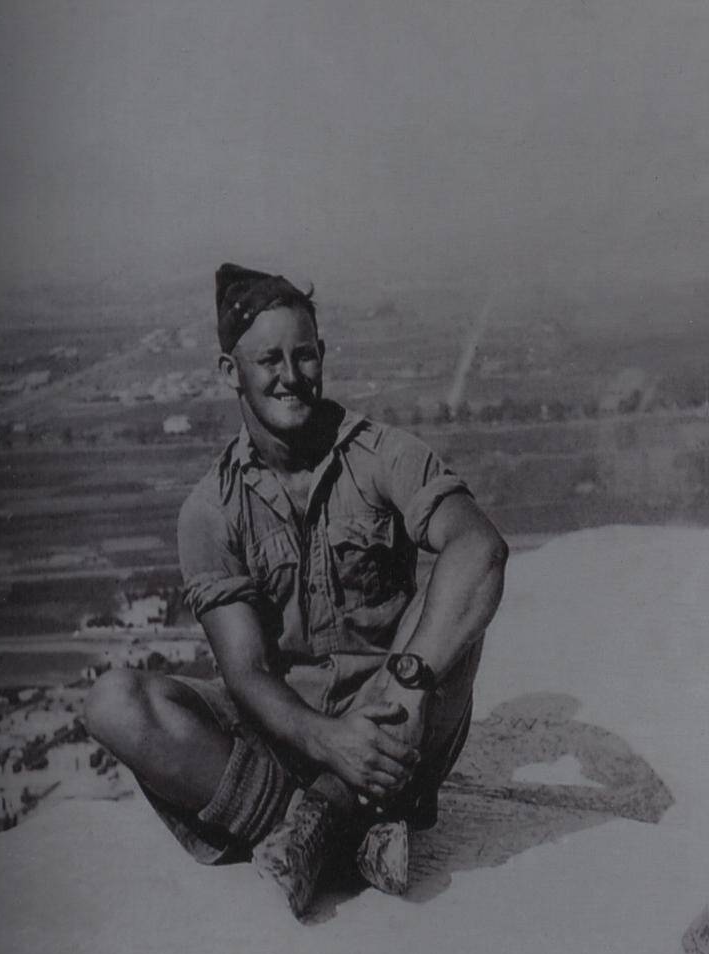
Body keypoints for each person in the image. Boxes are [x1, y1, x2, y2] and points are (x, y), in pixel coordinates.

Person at [86, 263, 508, 918]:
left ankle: (309, 832)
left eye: (304, 354)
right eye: (268, 359)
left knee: (450, 587)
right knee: (115, 701)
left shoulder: (384, 455)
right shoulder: (210, 510)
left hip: (397, 732)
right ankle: (324, 827)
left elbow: (480, 548)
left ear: (322, 356)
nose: (291, 375)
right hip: (290, 740)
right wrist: (326, 741)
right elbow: (247, 672)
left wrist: (404, 686)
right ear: (231, 371)